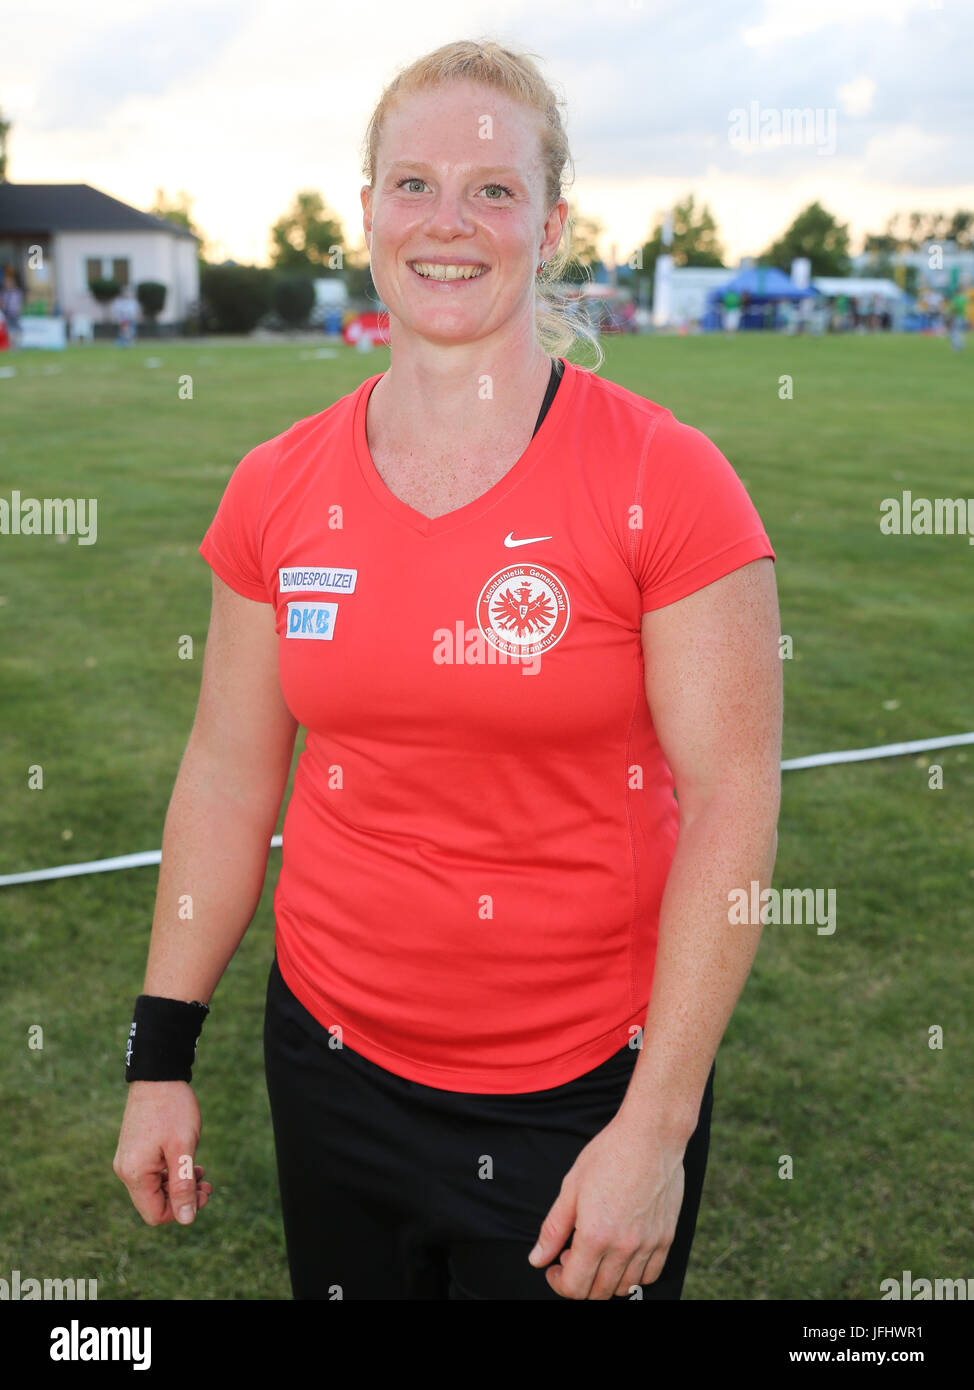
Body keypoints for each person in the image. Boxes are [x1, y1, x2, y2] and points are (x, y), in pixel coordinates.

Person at [113, 38, 782, 1302]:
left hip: (578, 1093)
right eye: (411, 183)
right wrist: (159, 1054)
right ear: (364, 211)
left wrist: (656, 1125)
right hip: (326, 1065)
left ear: (551, 221)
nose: (447, 221)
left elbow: (733, 802)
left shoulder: (665, 479)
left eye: (491, 188)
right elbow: (223, 778)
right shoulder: (274, 486)